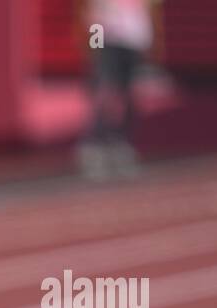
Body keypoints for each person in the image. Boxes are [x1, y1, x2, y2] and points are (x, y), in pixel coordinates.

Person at [75, 0, 164, 179]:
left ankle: (120, 142)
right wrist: (94, 46)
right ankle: (95, 143)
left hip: (134, 41)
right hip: (109, 40)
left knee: (131, 95)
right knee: (105, 93)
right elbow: (88, 10)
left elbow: (151, 10)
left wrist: (154, 42)